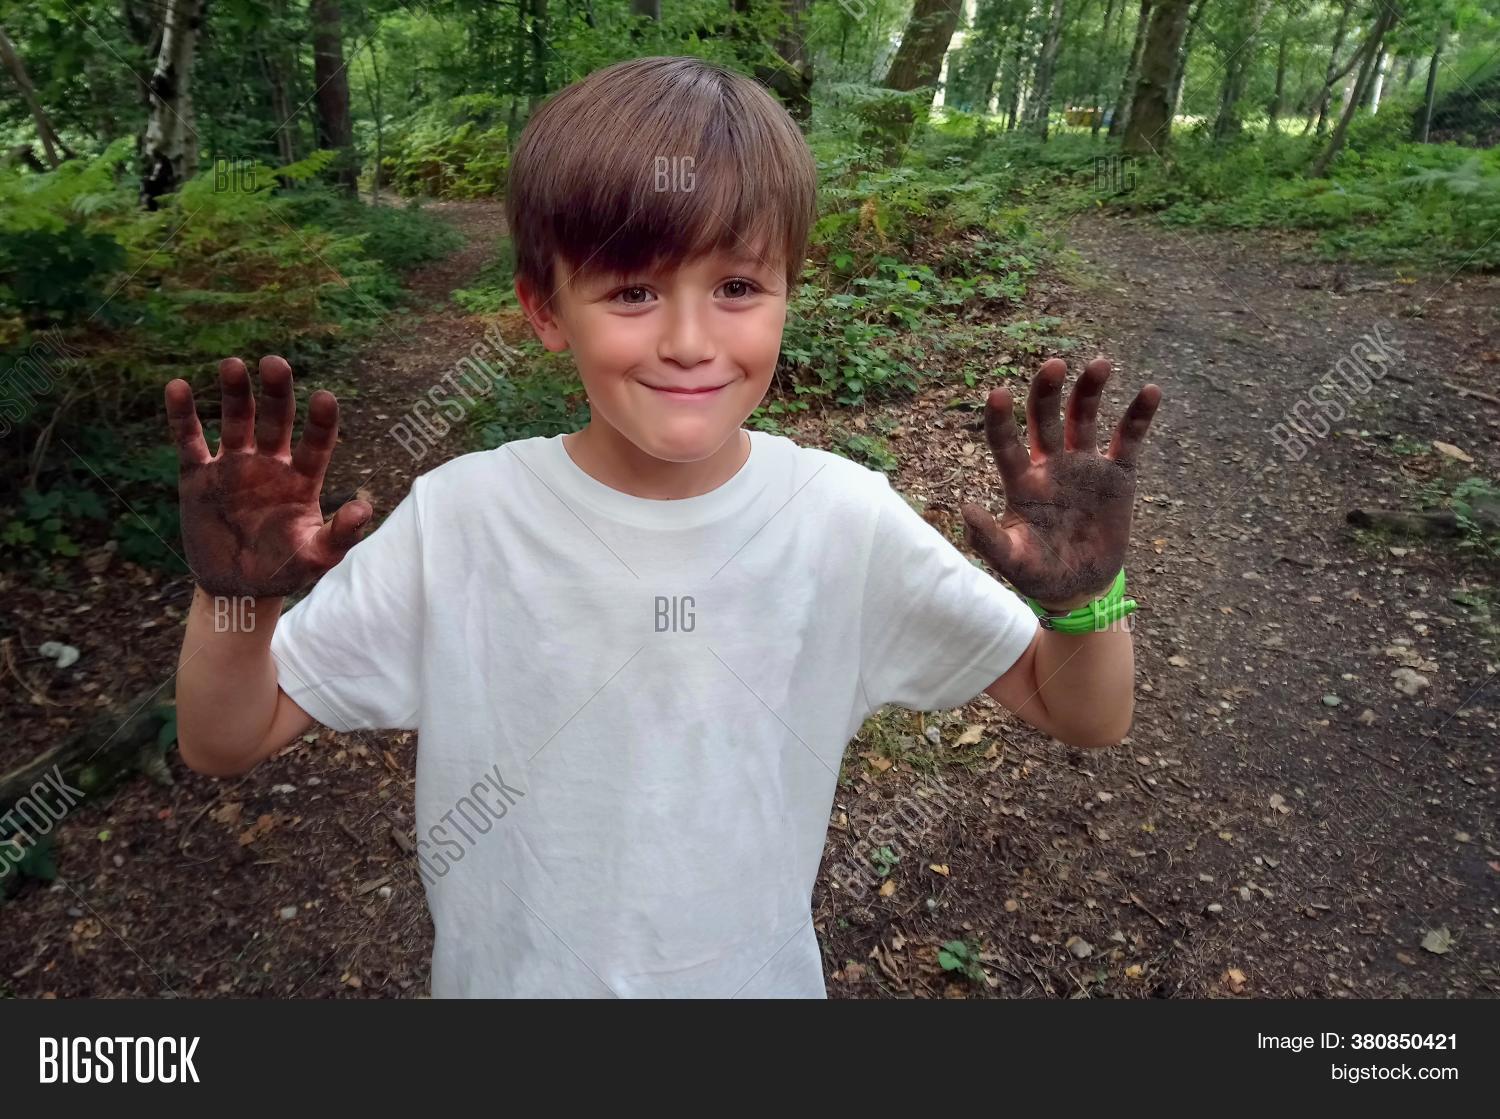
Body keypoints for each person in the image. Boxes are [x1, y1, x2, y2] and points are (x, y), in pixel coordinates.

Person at [164, 56, 1161, 998]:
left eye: (736, 286)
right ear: (546, 309)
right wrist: (230, 602)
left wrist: (1087, 600)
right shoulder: (464, 520)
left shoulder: (840, 521)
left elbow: (1082, 713)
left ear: (786, 295)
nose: (689, 342)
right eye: (633, 291)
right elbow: (225, 739)